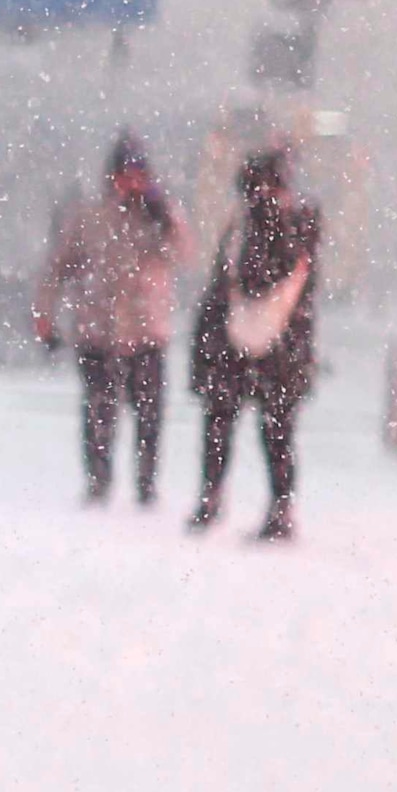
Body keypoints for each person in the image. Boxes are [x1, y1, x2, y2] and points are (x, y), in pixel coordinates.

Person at [34, 132, 188, 507]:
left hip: (146, 331)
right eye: (125, 174)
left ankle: (146, 484)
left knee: (149, 416)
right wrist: (45, 315)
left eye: (138, 174)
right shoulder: (89, 217)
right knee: (99, 411)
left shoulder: (160, 217)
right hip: (98, 331)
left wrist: (162, 215)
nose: (131, 183)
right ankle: (98, 481)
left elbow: (181, 253)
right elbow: (57, 267)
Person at [185, 146, 321, 541]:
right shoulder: (295, 225)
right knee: (273, 431)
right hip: (279, 348)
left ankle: (217, 499)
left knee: (228, 425)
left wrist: (206, 347)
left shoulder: (261, 226)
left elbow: (235, 283)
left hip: (250, 346)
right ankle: (276, 508)